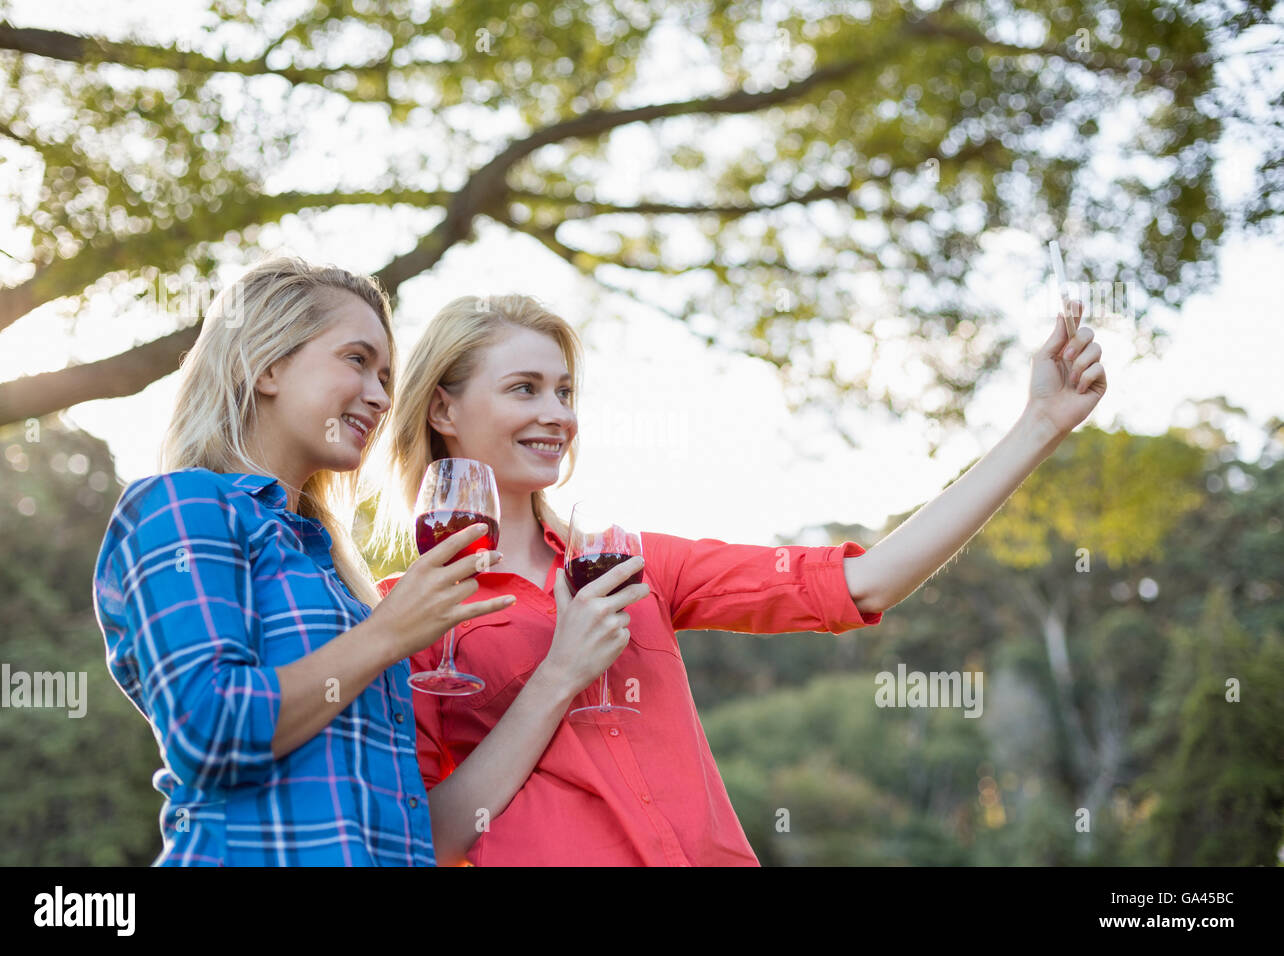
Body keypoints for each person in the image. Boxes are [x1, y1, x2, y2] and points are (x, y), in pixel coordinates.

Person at [369, 294, 1106, 866]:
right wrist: (559, 675)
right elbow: (429, 838)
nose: (557, 415)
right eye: (525, 389)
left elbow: (865, 583)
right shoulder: (399, 618)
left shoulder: (633, 564)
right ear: (444, 408)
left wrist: (1040, 425)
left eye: (565, 392)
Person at [92, 257, 515, 866]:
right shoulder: (185, 505)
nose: (381, 397)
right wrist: (389, 633)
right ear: (268, 365)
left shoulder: (334, 571)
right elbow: (209, 729)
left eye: (385, 377)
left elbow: (412, 826)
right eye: (356, 360)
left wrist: (559, 676)